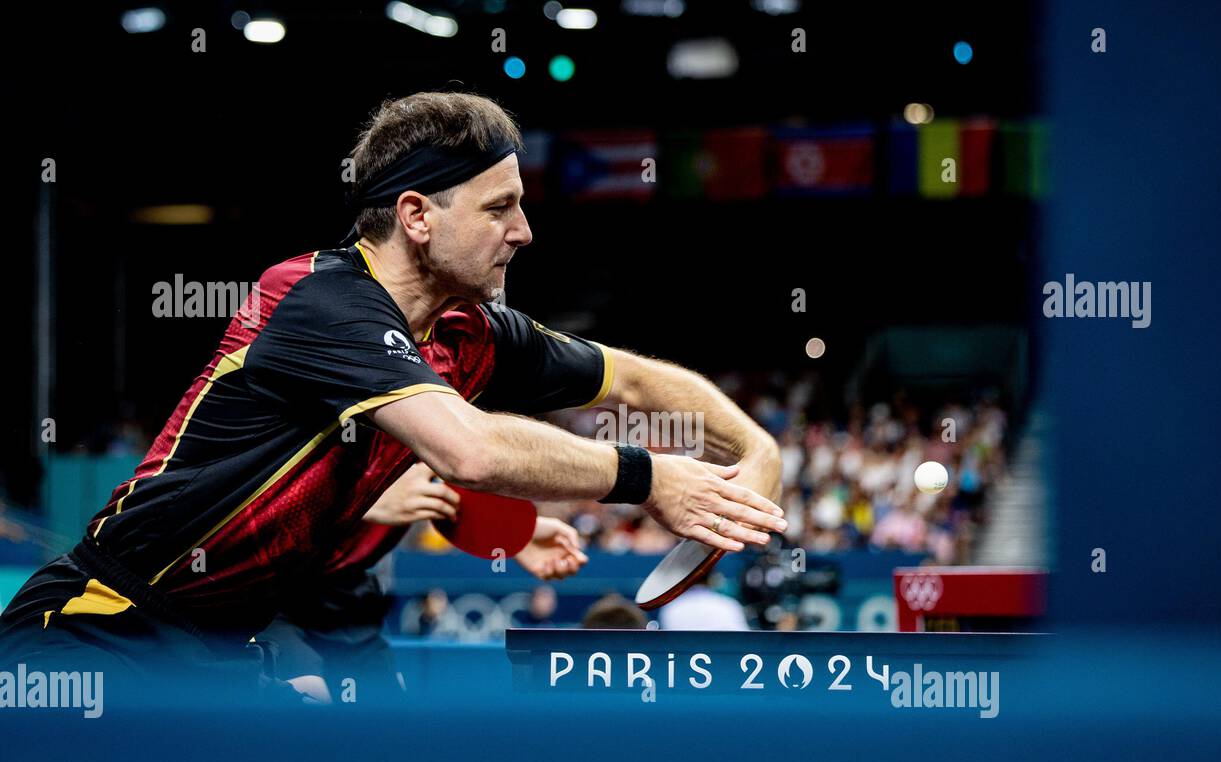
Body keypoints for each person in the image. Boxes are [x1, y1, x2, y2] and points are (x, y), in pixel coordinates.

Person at [0, 91, 784, 694]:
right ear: (416, 215)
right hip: (96, 633)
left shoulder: (474, 333)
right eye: (499, 208)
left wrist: (756, 447)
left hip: (215, 655)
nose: (524, 231)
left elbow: (640, 380)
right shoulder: (312, 299)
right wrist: (652, 479)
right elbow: (467, 449)